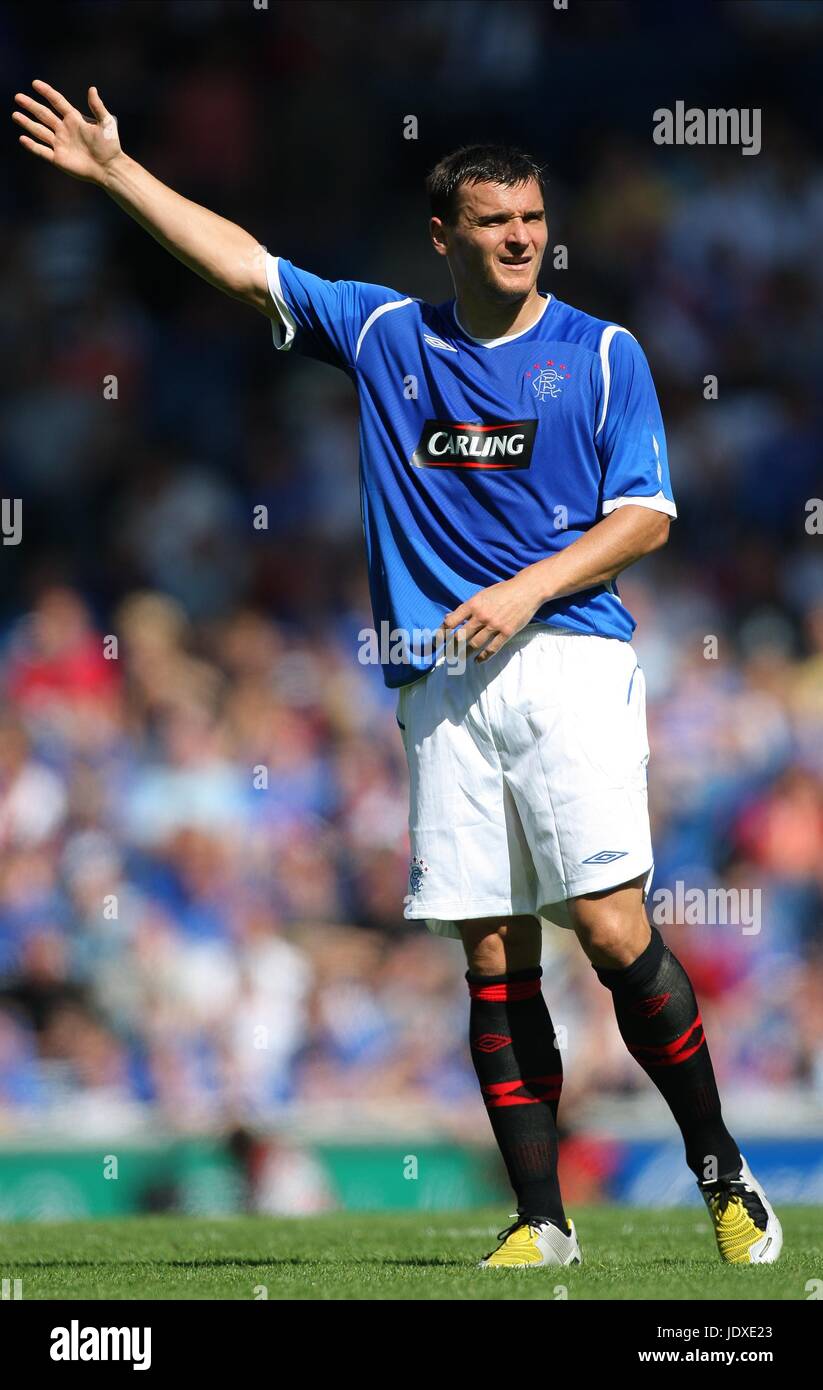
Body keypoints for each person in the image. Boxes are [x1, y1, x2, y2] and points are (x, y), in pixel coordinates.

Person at [13, 81, 782, 1268]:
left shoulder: (601, 352)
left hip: (570, 657)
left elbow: (647, 515)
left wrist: (528, 588)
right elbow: (245, 266)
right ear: (445, 236)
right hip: (439, 682)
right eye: (493, 221)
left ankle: (723, 1175)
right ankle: (541, 1222)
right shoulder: (383, 334)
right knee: (489, 952)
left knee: (610, 925)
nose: (521, 235)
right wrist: (119, 173)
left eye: (531, 217)